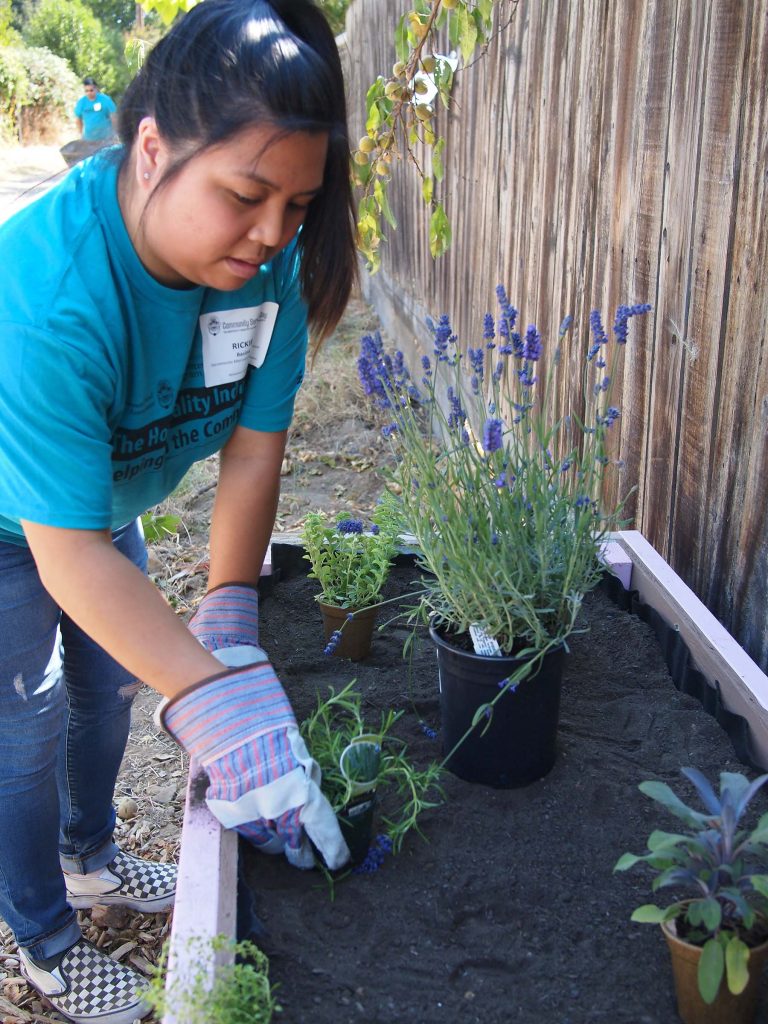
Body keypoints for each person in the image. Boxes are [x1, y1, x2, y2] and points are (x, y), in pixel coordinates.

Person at [0, 1, 357, 1021]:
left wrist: (231, 611)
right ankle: (46, 940)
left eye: (297, 205)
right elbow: (64, 553)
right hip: (11, 524)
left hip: (91, 506)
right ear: (150, 149)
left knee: (107, 688)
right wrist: (221, 708)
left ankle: (91, 859)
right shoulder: (45, 296)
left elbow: (253, 452)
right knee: (19, 730)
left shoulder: (268, 268)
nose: (274, 234)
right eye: (247, 195)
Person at [74, 77, 118, 143]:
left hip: (106, 137)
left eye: (91, 90)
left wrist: (115, 133)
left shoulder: (106, 100)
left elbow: (113, 117)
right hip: (89, 138)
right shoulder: (81, 102)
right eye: (86, 91)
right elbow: (78, 120)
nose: (89, 93)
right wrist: (81, 134)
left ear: (96, 89)